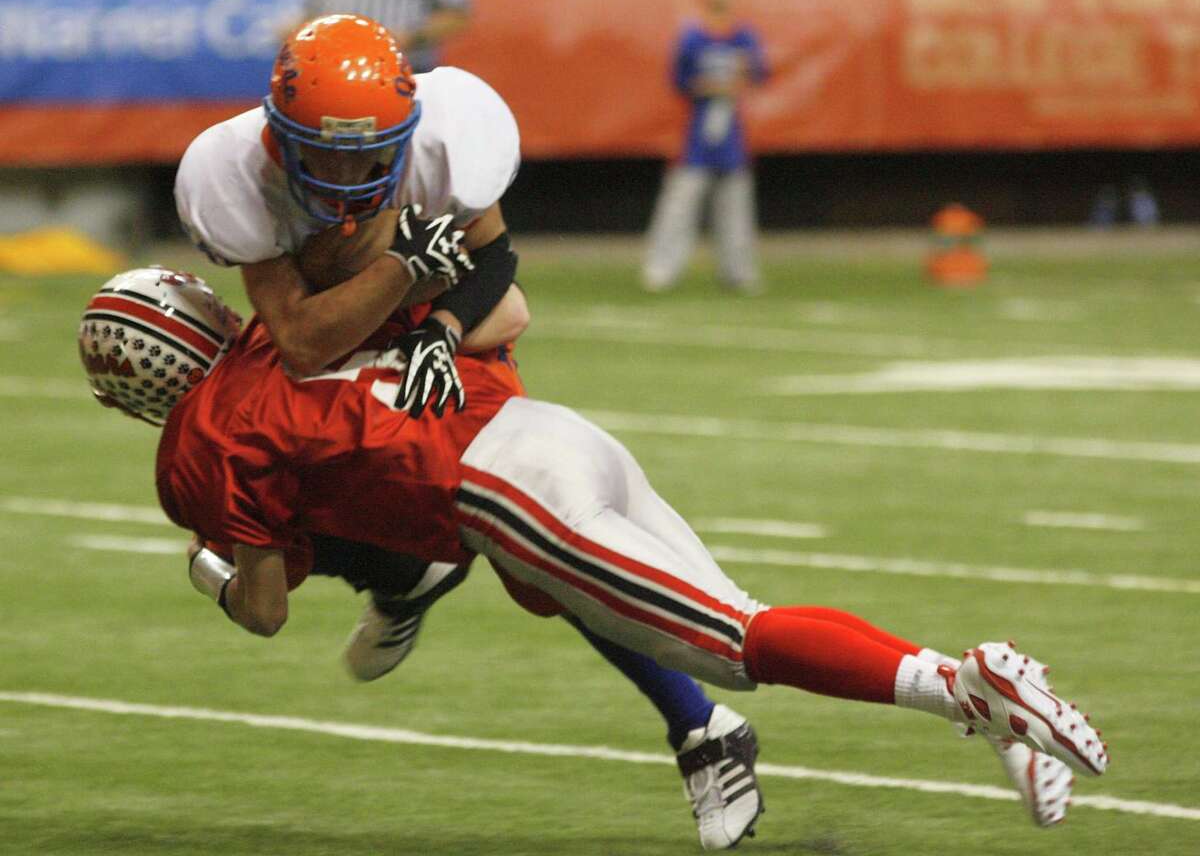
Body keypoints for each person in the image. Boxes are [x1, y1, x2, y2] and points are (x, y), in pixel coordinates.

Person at [79, 269, 1106, 839]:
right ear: (196, 308)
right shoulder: (291, 315)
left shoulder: (201, 438)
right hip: (556, 433)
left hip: (508, 499)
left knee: (738, 641)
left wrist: (209, 567)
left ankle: (966, 687)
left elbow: (263, 608)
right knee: (732, 607)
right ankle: (990, 723)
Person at [173, 14, 765, 848]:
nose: (347, 172)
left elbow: (495, 264)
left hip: (433, 352)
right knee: (282, 479)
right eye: (325, 150)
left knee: (550, 558)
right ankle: (405, 577)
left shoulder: (448, 140)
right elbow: (302, 342)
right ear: (279, 136)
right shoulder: (238, 175)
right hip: (332, 350)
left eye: (370, 151)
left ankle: (701, 728)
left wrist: (442, 325)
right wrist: (404, 268)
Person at [642, 0, 769, 294]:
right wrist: (710, 86)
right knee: (681, 204)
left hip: (731, 134)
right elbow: (680, 80)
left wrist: (742, 75)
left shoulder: (744, 36)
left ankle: (738, 271)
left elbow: (758, 73)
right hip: (698, 136)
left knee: (735, 206)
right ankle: (661, 267)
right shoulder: (693, 37)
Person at [300, 0, 472, 73]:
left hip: (400, 75)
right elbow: (313, 13)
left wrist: (410, 38)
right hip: (331, 76)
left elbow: (456, 14)